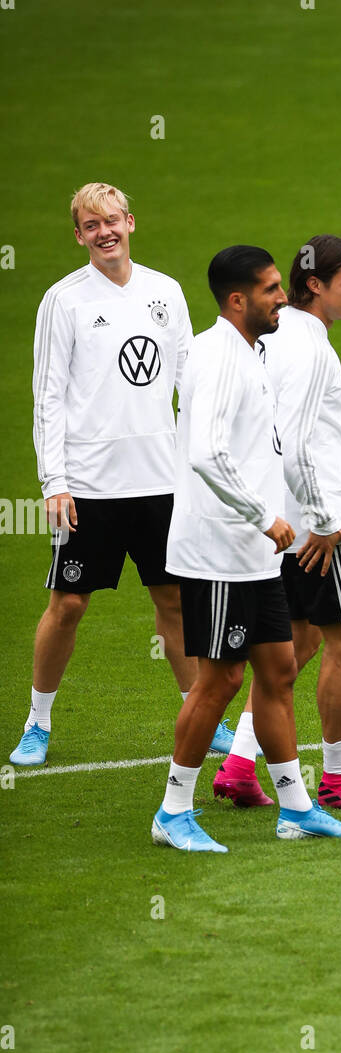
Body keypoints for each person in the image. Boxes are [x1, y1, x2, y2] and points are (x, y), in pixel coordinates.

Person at [151, 245, 341, 851]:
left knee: (276, 669)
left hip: (255, 555)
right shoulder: (219, 356)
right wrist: (263, 516)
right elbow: (206, 453)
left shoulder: (252, 353)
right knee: (218, 682)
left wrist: (320, 517)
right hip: (219, 550)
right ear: (238, 300)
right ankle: (172, 811)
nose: (284, 299)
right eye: (273, 290)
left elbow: (278, 447)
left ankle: (296, 808)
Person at [9, 183, 236, 767]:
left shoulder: (166, 292)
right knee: (69, 603)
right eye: (91, 224)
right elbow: (48, 397)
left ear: (131, 222)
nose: (104, 231)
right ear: (79, 235)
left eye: (113, 220)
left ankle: (200, 714)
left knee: (174, 599)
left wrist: (209, 457)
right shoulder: (64, 301)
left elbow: (191, 380)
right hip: (89, 487)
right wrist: (53, 482)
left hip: (162, 481)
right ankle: (38, 720)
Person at [212, 235, 341, 812]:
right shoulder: (313, 347)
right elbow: (292, 445)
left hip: (277, 524)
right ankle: (338, 777)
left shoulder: (275, 335)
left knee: (297, 641)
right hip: (318, 527)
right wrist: (324, 519)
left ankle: (241, 766)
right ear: (315, 285)